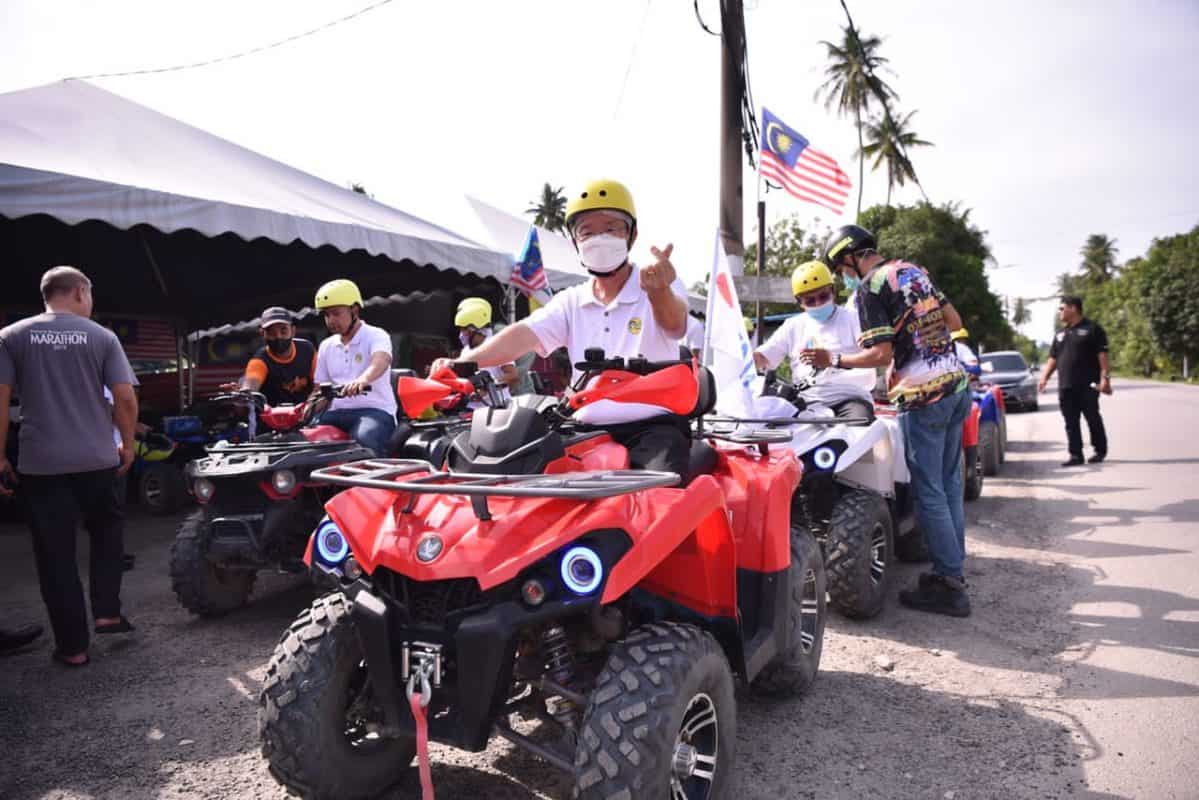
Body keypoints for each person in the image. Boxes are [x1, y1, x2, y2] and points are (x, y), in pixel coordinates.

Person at [431, 178, 691, 475]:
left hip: (652, 424)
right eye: (587, 231)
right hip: (583, 426)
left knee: (657, 495)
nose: (599, 238)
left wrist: (659, 293)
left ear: (631, 236)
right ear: (575, 242)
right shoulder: (571, 300)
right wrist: (461, 363)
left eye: (610, 228)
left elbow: (675, 327)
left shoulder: (657, 284)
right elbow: (522, 335)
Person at [810, 225, 972, 618]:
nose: (843, 276)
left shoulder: (869, 288)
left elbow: (880, 355)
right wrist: (918, 339)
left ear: (850, 257)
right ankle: (953, 568)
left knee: (929, 490)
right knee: (949, 484)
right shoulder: (914, 272)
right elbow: (953, 321)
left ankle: (949, 584)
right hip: (956, 385)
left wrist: (834, 360)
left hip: (923, 397)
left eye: (840, 267)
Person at [0, 266, 138, 666]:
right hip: (97, 459)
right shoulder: (102, 337)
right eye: (90, 296)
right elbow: (125, 399)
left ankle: (74, 648)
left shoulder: (12, 337)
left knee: (54, 555)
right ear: (80, 292)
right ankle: (108, 611)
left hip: (41, 465)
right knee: (107, 531)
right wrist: (127, 445)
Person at [753, 261, 876, 419]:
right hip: (807, 401)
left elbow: (875, 355)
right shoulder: (793, 326)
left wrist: (833, 360)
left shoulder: (854, 319)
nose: (818, 303)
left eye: (823, 296)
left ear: (833, 291)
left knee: (858, 427)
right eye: (809, 300)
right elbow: (764, 357)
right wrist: (743, 358)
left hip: (851, 398)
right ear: (799, 302)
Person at [312, 279, 396, 455]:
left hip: (375, 411)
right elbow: (320, 389)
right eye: (326, 315)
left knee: (364, 440)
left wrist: (362, 380)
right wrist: (305, 409)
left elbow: (380, 361)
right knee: (305, 440)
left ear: (354, 310)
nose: (331, 320)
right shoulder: (326, 345)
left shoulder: (376, 335)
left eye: (336, 313)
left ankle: (375, 481)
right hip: (336, 412)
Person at [1038, 296, 1110, 466]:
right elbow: (1053, 358)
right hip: (1066, 385)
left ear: (1073, 308)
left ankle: (1099, 450)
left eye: (1062, 308)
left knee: (1092, 417)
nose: (1060, 312)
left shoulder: (1093, 329)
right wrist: (1044, 378)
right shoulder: (1060, 334)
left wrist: (1105, 378)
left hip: (1088, 385)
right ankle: (1076, 455)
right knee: (1070, 421)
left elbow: (1103, 356)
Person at [220, 307, 317, 406]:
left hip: (306, 415)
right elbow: (250, 385)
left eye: (283, 331)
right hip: (271, 418)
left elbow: (319, 384)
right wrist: (242, 394)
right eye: (271, 333)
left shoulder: (307, 349)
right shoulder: (259, 361)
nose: (278, 336)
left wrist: (308, 407)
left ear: (293, 331)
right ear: (262, 333)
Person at [453, 297, 519, 402]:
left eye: (464, 329)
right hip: (473, 409)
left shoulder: (496, 346)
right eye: (461, 329)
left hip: (498, 407)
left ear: (474, 329)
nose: (462, 333)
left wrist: (488, 388)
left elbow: (513, 376)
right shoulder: (466, 351)